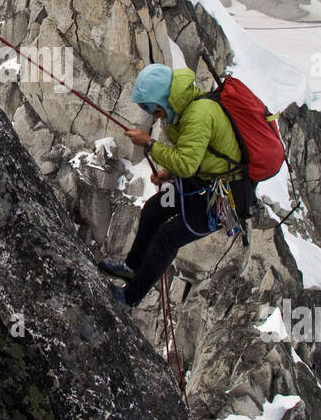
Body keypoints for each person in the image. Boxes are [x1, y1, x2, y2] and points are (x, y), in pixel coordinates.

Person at [99, 63, 253, 307]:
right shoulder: (182, 110)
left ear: (164, 99)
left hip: (222, 196)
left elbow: (187, 163)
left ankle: (130, 297)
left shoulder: (199, 114)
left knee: (168, 238)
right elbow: (195, 155)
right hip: (203, 182)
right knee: (153, 210)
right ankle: (131, 267)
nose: (156, 115)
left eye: (155, 109)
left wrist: (149, 144)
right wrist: (167, 173)